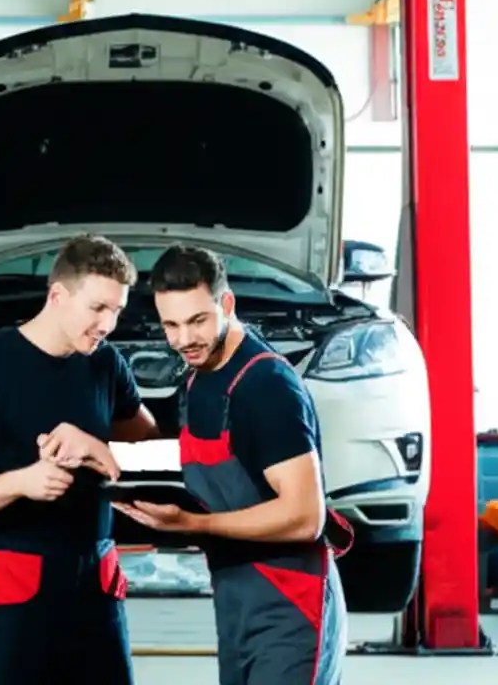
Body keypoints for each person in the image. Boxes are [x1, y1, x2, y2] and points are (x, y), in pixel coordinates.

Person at [113, 244, 349, 685]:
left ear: (226, 304)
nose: (184, 339)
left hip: (290, 600)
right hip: (235, 594)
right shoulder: (199, 378)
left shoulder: (265, 386)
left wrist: (191, 524)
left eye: (197, 320)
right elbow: (202, 458)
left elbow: (304, 516)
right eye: (171, 325)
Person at [0, 234, 159, 685]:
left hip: (95, 581)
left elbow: (152, 453)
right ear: (57, 296)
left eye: (116, 310)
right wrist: (22, 482)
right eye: (98, 308)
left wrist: (101, 451)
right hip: (19, 579)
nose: (108, 324)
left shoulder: (106, 365)